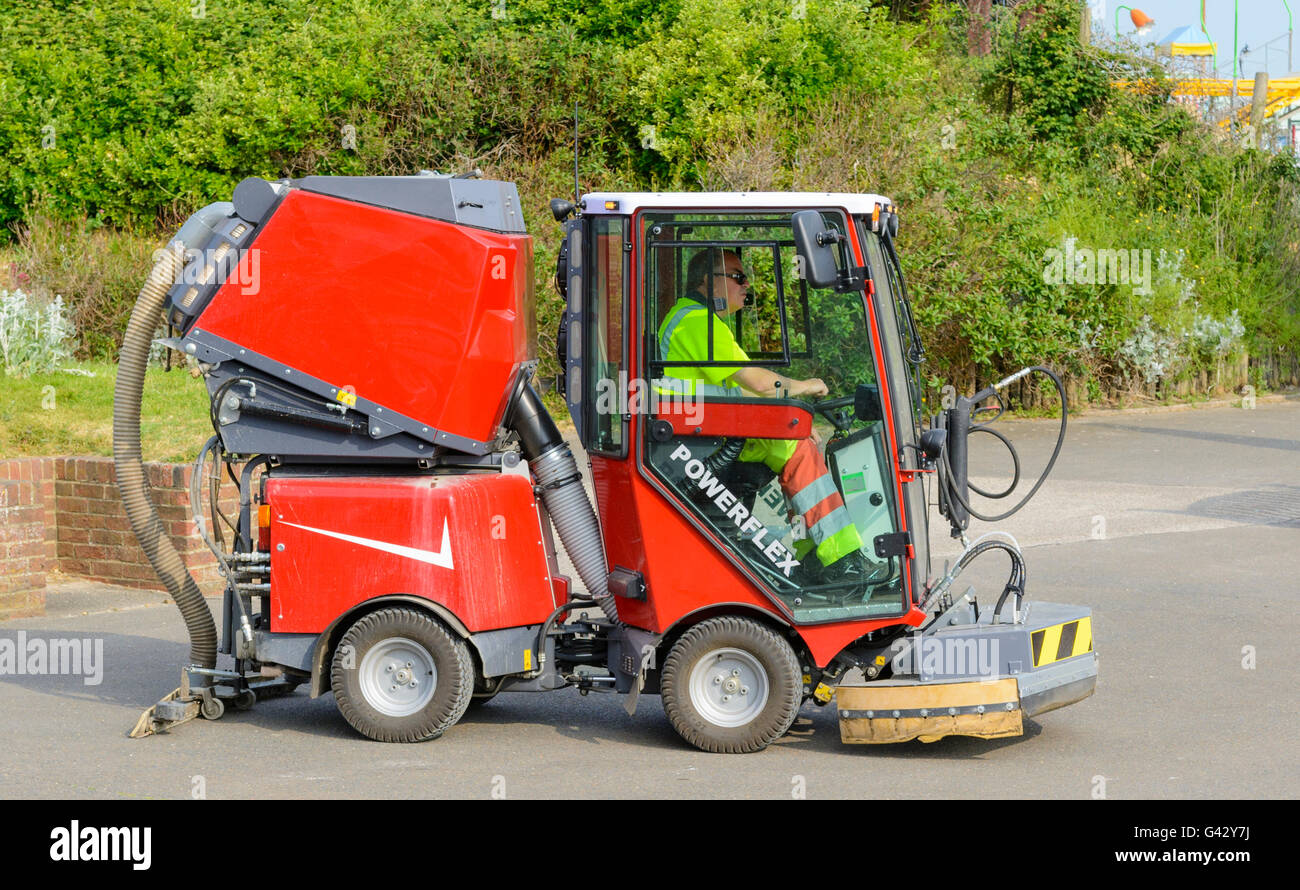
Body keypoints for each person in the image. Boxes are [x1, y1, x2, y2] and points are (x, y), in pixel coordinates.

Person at [656, 247, 872, 579]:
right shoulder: (697, 322)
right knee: (799, 452)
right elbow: (758, 384)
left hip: (703, 430)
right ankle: (842, 558)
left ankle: (812, 551)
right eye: (738, 277)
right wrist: (805, 386)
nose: (746, 286)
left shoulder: (694, 320)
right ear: (707, 282)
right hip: (705, 438)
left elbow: (735, 389)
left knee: (796, 441)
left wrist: (791, 420)